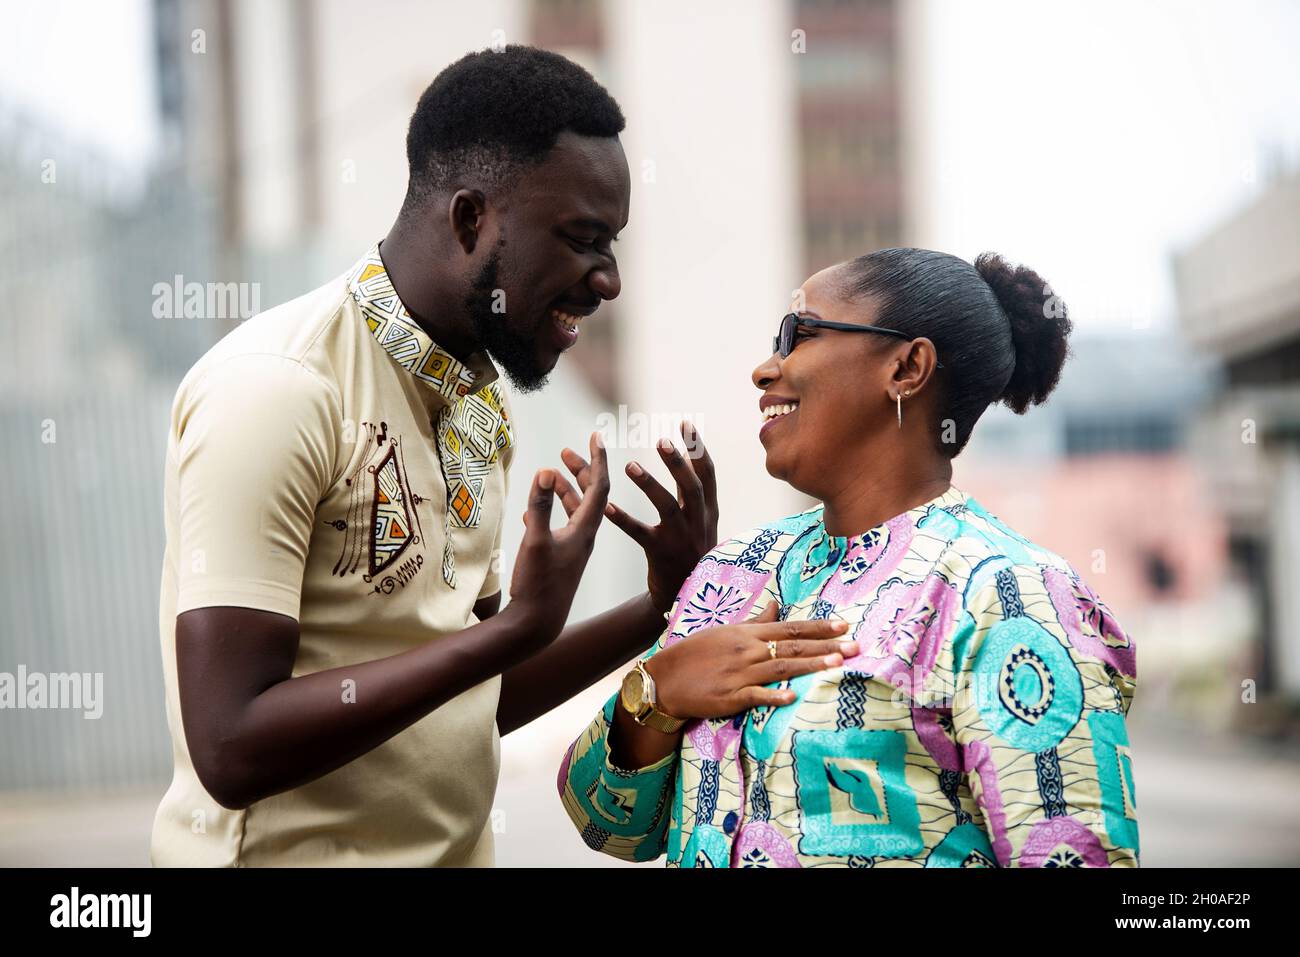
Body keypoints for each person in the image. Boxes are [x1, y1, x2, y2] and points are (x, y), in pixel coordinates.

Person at [152, 45, 734, 867]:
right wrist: (518, 629)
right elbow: (230, 747)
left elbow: (473, 697)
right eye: (583, 239)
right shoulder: (276, 390)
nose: (608, 282)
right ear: (469, 220)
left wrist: (655, 607)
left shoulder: (475, 406)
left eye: (614, 245)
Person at [557, 248, 1141, 868]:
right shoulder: (737, 570)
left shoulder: (1009, 594)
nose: (764, 370)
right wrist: (658, 689)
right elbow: (606, 823)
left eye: (798, 335)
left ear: (907, 367)